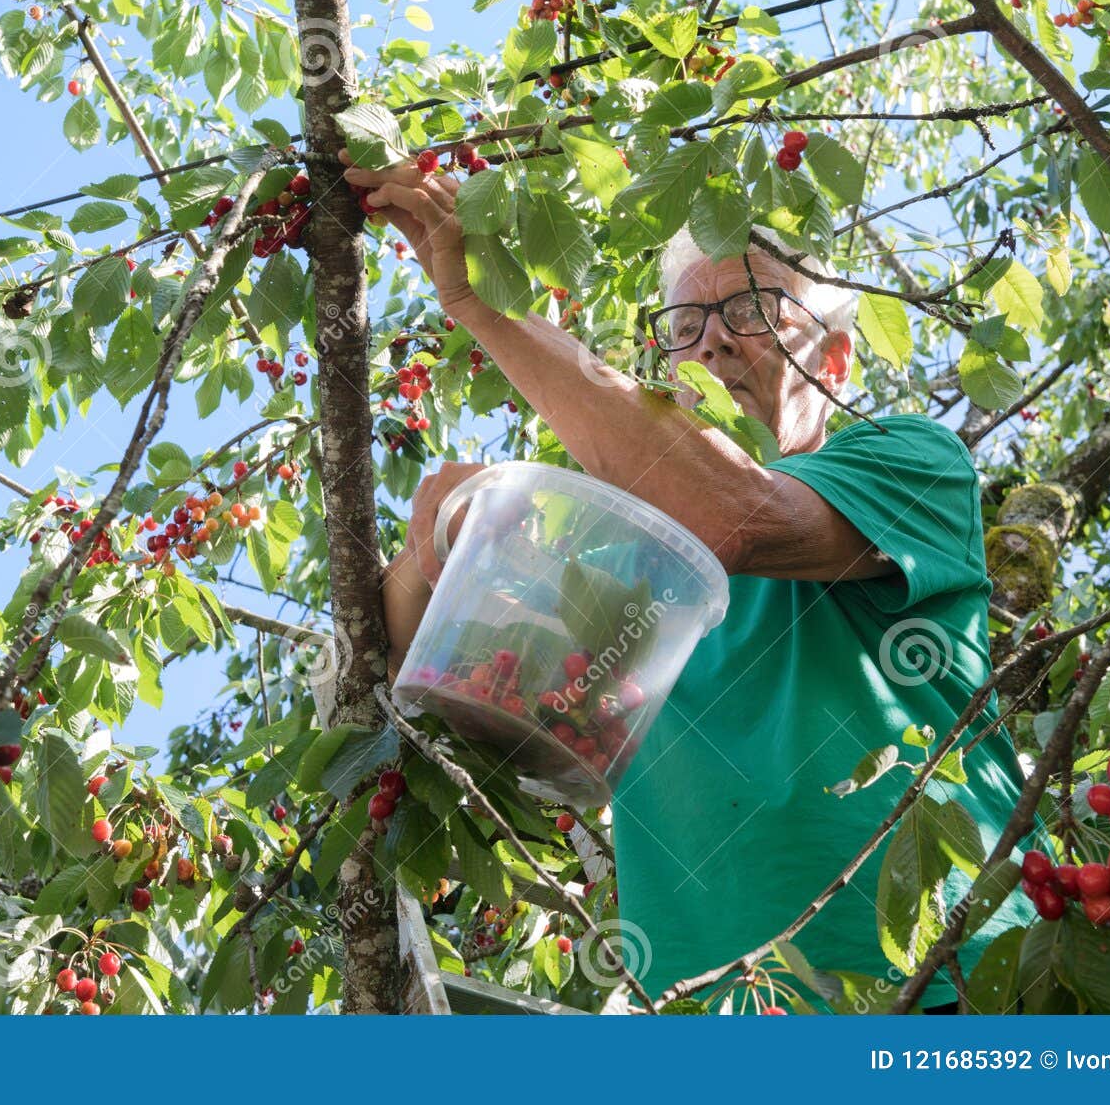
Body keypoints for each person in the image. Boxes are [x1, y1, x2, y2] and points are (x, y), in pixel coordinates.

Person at [350, 152, 1032, 1011]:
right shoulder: (624, 581)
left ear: (839, 354)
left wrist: (479, 303)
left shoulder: (910, 464)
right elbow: (409, 650)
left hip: (959, 992)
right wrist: (442, 541)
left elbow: (732, 517)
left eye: (749, 307)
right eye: (683, 326)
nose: (710, 338)